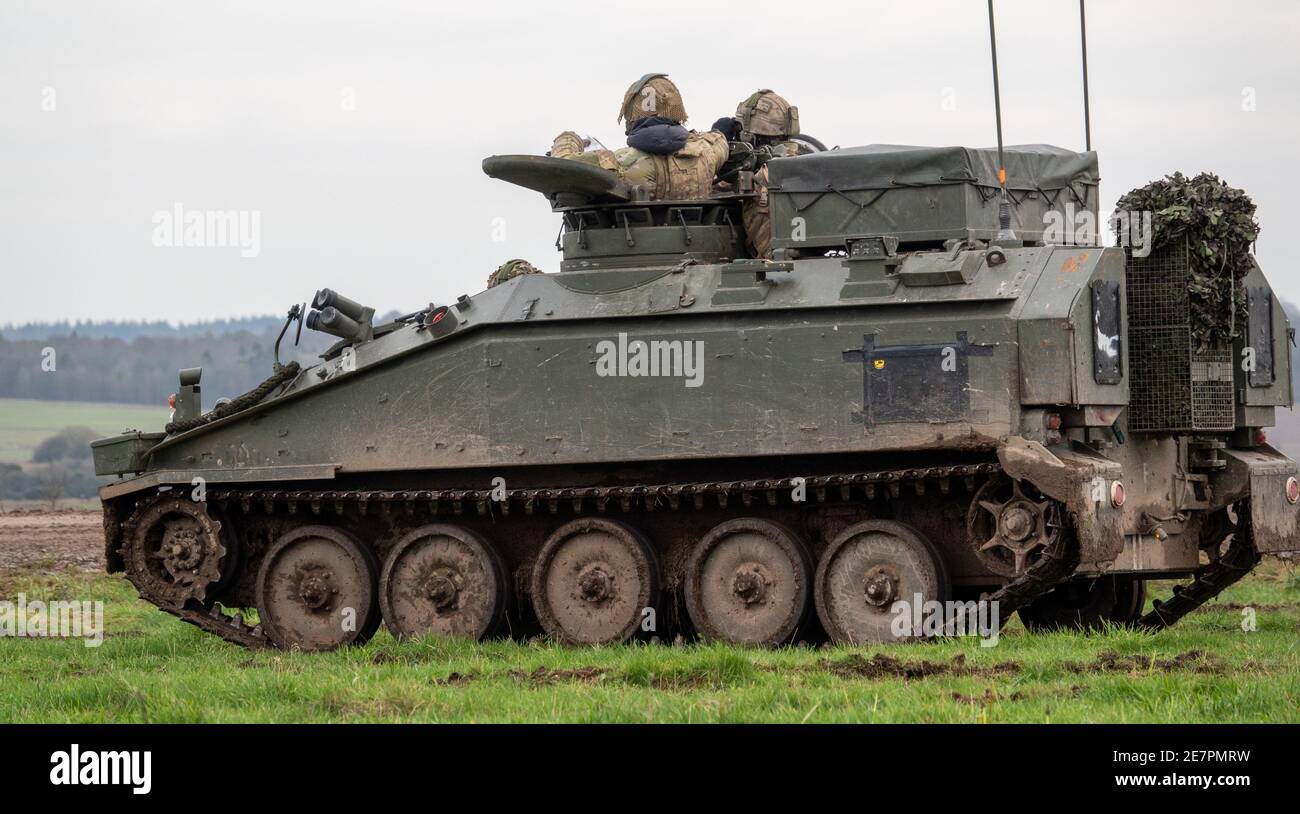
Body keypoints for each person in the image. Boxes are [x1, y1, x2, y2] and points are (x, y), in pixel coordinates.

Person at [549, 74, 729, 201]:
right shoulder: (708, 151)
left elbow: (562, 165)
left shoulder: (618, 162)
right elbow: (720, 140)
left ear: (630, 116)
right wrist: (719, 131)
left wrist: (568, 138)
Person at [713, 89, 809, 258]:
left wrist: (717, 140)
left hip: (772, 266)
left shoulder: (761, 178)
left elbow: (706, 187)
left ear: (746, 135)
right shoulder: (805, 163)